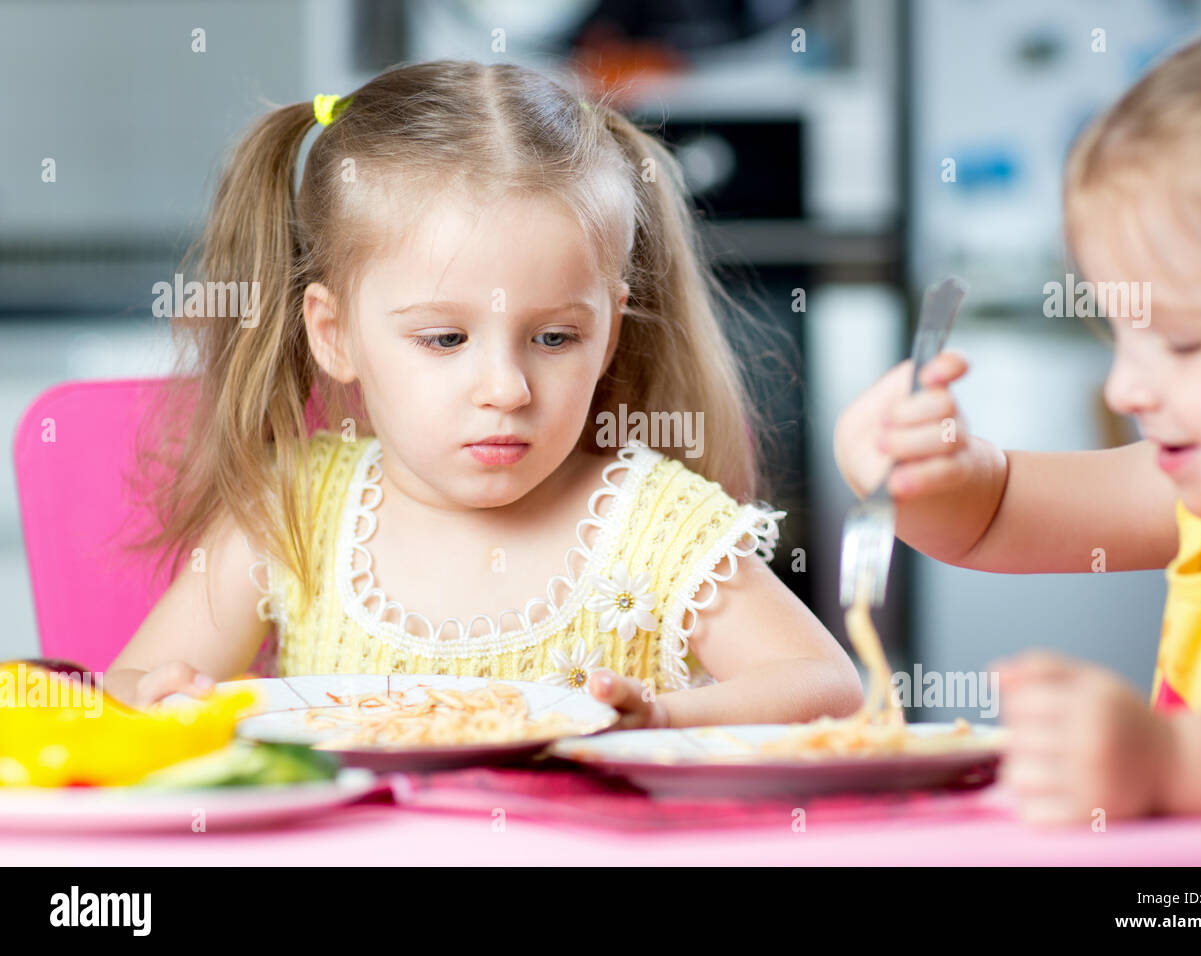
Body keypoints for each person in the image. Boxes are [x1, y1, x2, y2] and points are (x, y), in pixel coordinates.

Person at [107, 62, 862, 729]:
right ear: (334, 334)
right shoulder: (293, 513)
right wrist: (160, 700)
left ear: (610, 330)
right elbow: (127, 688)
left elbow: (826, 686)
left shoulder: (651, 527)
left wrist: (664, 717)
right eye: (444, 340)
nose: (506, 389)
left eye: (555, 338)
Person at [835, 6, 1201, 823]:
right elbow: (993, 519)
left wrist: (1172, 762)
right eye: (1120, 334)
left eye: (1183, 343)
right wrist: (925, 470)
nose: (1124, 389)